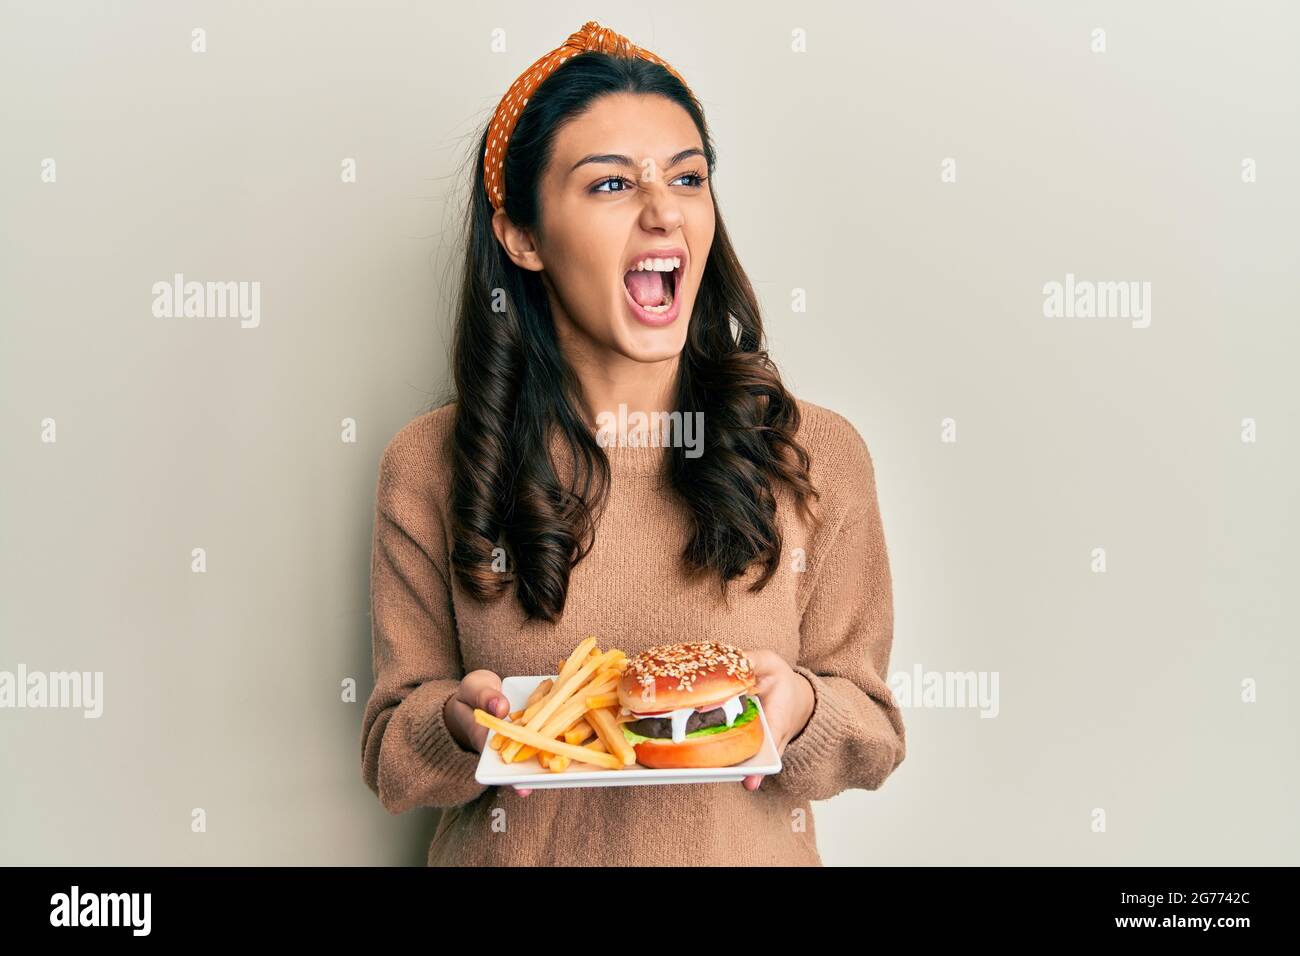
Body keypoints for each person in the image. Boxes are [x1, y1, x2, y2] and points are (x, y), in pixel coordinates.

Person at [360, 20, 905, 866]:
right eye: (611, 184)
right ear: (523, 236)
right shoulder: (430, 464)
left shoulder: (816, 455)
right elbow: (392, 756)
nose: (663, 212)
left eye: (688, 177)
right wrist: (456, 726)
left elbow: (873, 731)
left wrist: (800, 708)